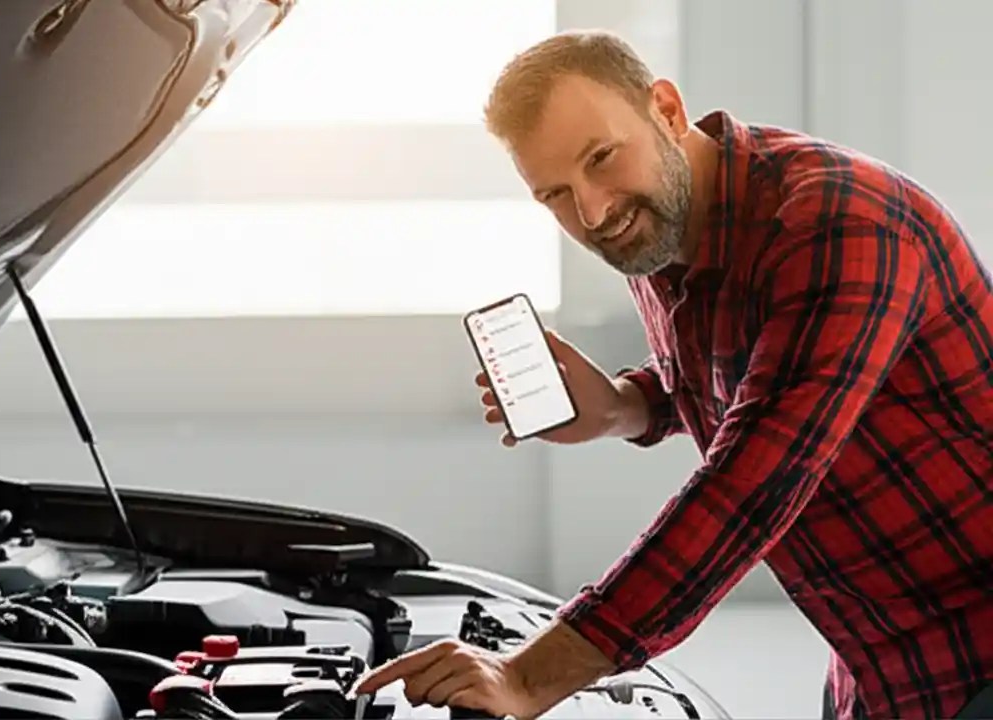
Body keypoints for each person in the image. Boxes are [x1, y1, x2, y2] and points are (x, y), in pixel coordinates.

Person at [353, 29, 993, 720]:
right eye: (556, 195)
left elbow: (750, 488)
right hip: (879, 663)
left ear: (665, 109)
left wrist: (530, 677)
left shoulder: (842, 224)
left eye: (601, 158)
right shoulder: (663, 228)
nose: (593, 212)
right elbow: (760, 364)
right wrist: (624, 407)